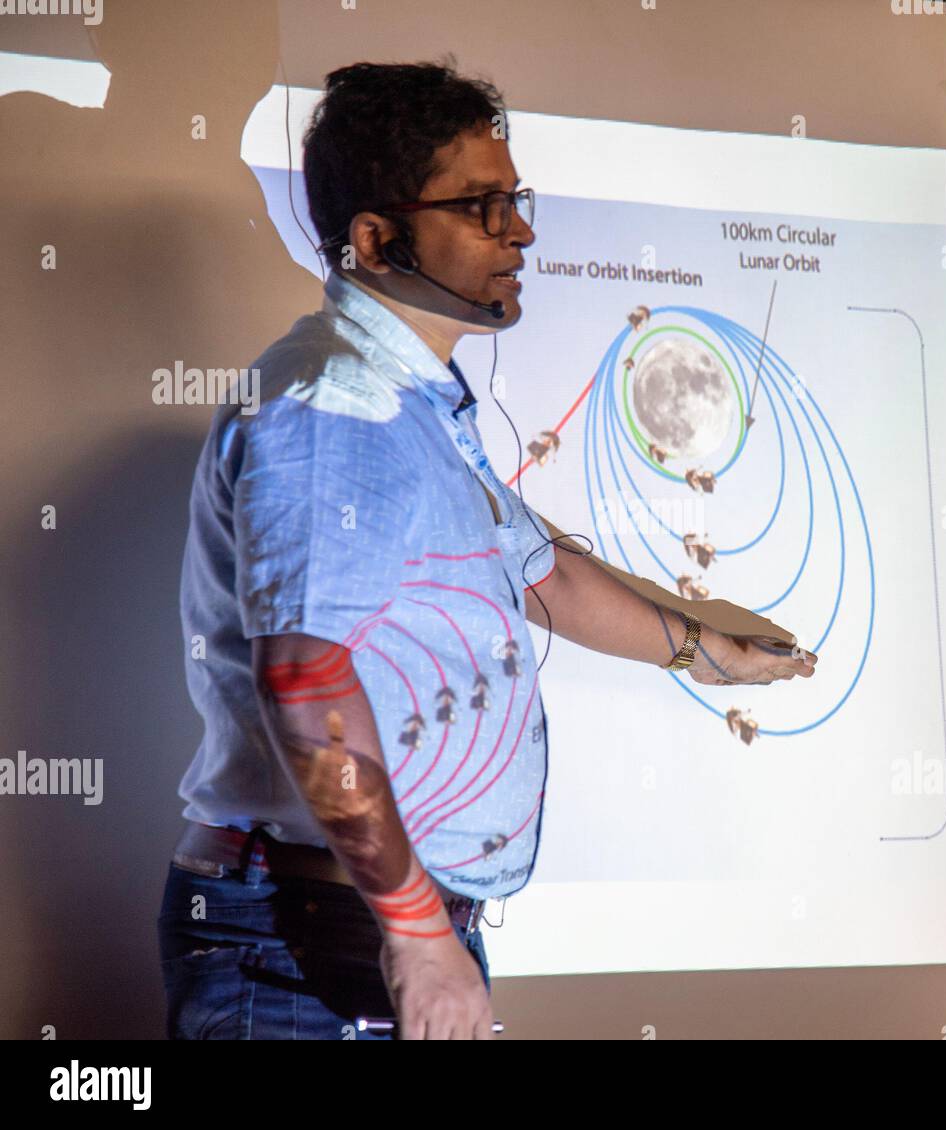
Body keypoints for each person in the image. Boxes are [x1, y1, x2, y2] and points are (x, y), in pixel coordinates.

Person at [156, 59, 817, 1041]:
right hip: (312, 939)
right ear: (378, 239)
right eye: (482, 206)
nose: (522, 230)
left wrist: (706, 651)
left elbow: (543, 572)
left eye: (516, 199)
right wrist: (420, 933)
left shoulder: (415, 407)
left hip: (362, 921)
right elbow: (303, 672)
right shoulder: (336, 404)